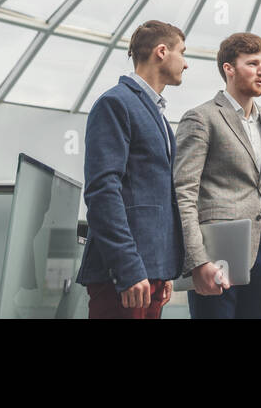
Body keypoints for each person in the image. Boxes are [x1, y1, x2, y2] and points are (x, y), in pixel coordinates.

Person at [173, 32, 261, 319]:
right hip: (217, 249)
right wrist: (197, 259)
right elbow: (183, 192)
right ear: (229, 69)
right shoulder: (201, 117)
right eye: (252, 63)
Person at [76, 20, 186, 319]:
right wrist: (128, 267)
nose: (185, 64)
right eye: (182, 53)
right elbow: (102, 192)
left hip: (149, 274)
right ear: (162, 52)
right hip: (124, 276)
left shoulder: (160, 117)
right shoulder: (116, 103)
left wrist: (162, 271)